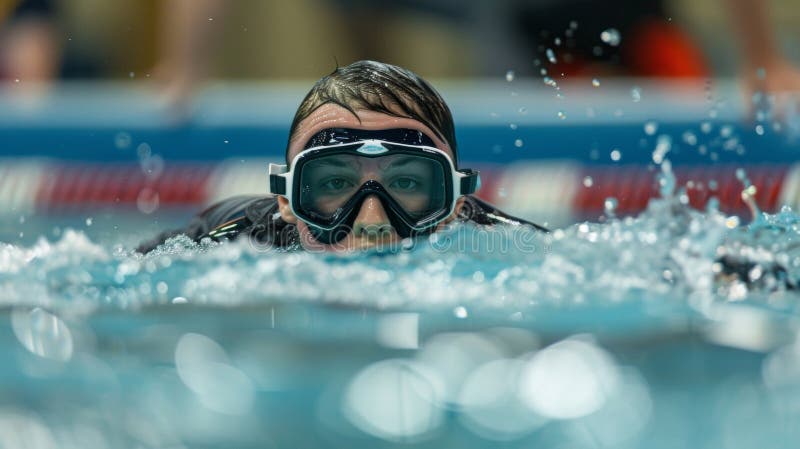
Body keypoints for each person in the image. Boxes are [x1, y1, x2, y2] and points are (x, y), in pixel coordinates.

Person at [137, 60, 548, 254]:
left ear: (455, 203)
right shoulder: (236, 238)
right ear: (286, 201)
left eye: (406, 183)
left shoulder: (505, 243)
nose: (371, 221)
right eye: (334, 184)